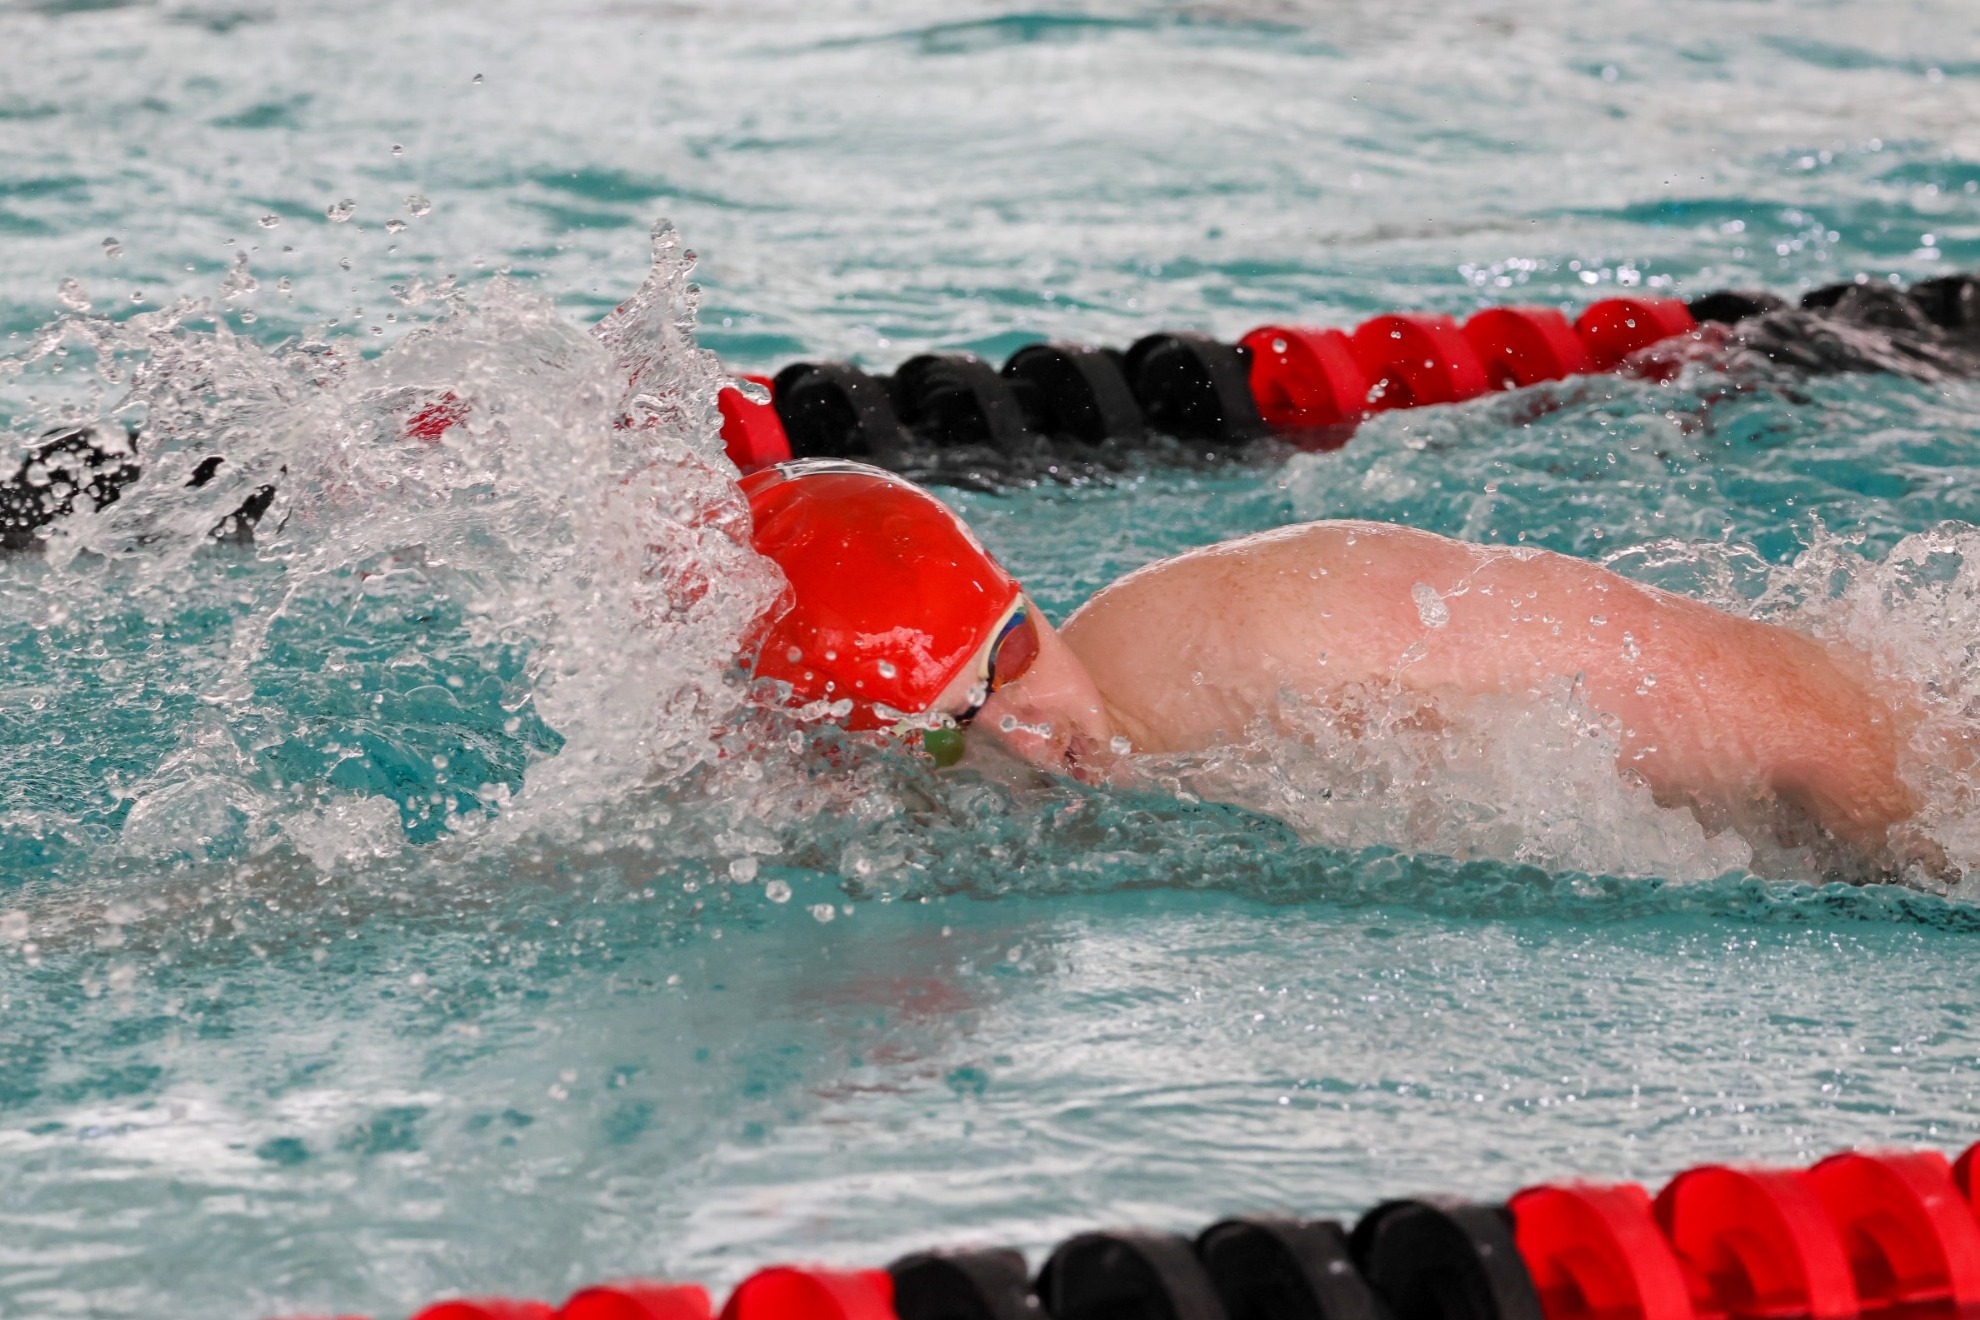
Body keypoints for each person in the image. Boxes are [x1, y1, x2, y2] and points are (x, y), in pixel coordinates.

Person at [739, 459, 1923, 869]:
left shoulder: (1279, 625)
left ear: (1022, 595)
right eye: (950, 729)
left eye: (1011, 660)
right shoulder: (890, 788)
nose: (1032, 738)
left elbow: (1792, 713)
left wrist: (1921, 829)